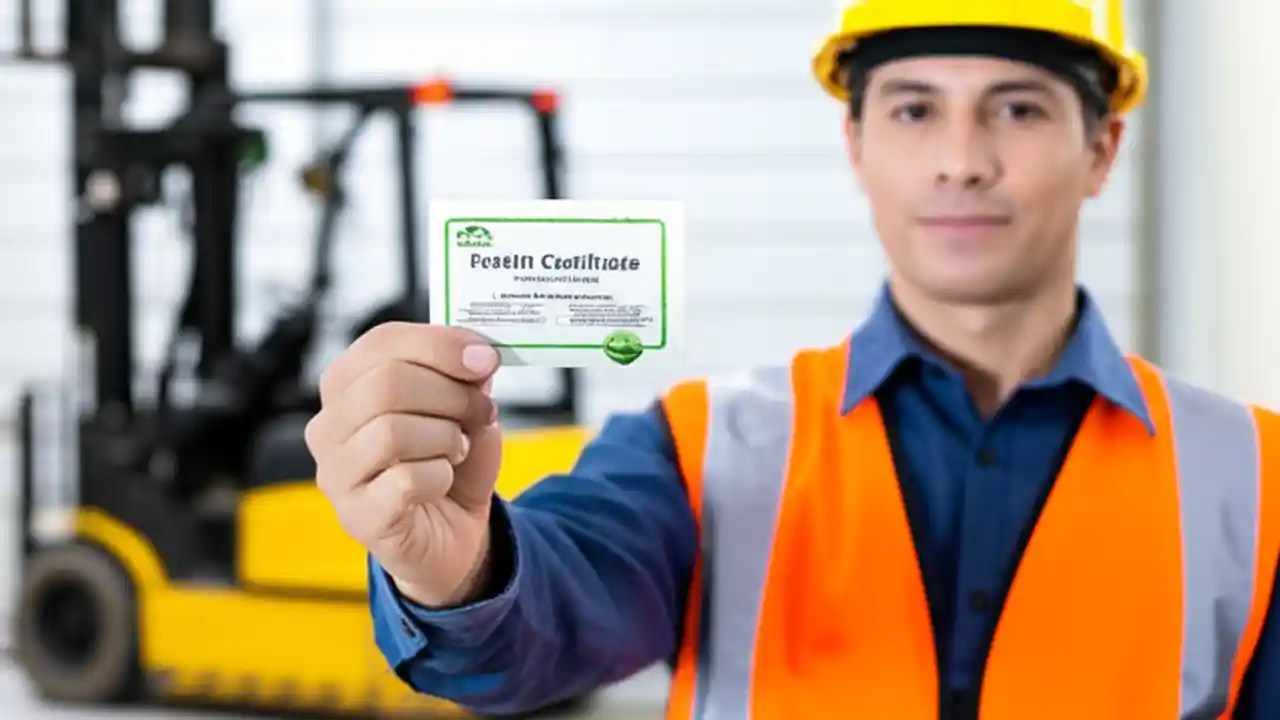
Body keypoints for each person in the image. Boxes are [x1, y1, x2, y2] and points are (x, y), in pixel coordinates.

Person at [304, 1, 1280, 718]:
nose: (960, 159)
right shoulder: (703, 444)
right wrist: (458, 569)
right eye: (911, 111)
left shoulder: (1255, 470)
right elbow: (540, 630)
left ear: (1102, 149)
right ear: (854, 145)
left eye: (1016, 109)